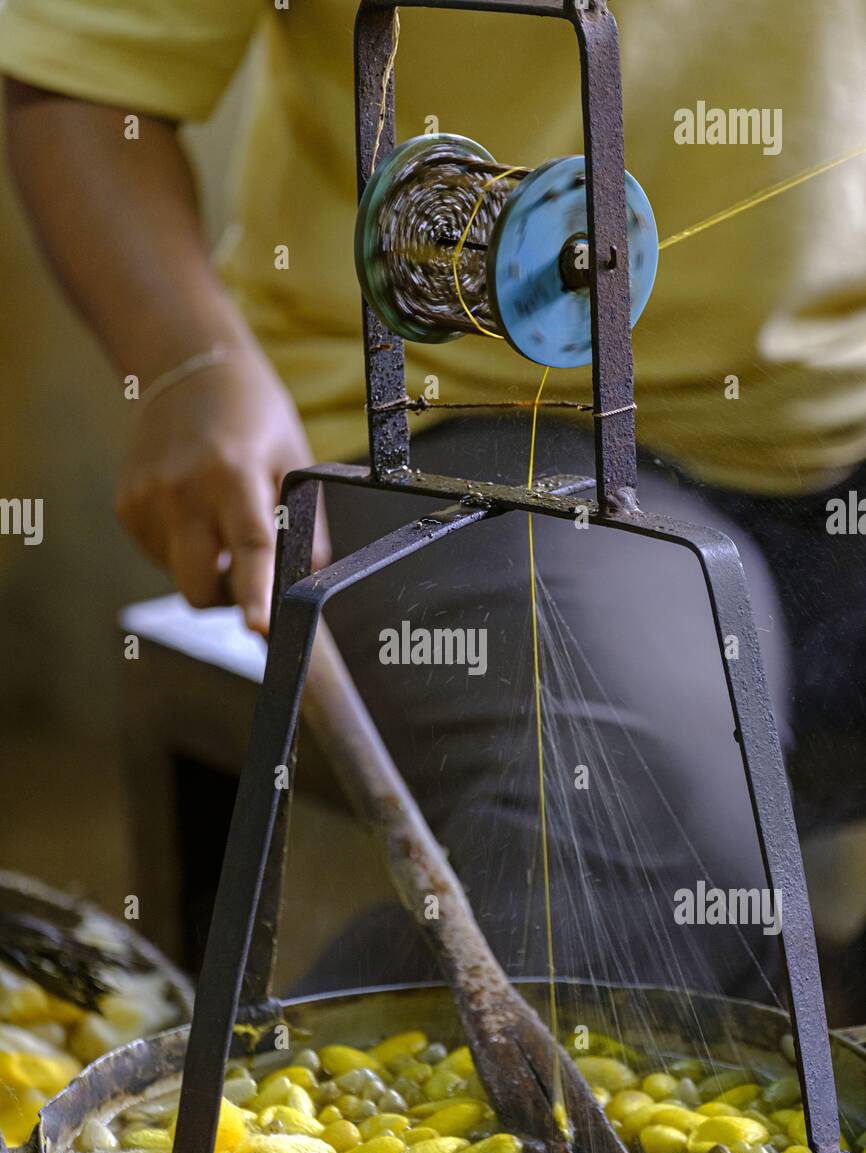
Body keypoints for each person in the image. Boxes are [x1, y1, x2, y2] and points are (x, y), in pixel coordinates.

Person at [2, 1, 865, 1002]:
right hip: (447, 414)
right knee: (632, 819)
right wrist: (191, 366)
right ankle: (329, 1122)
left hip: (836, 409)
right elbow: (81, 73)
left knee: (714, 960)